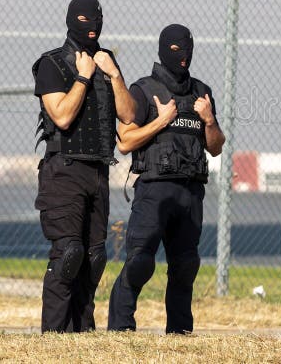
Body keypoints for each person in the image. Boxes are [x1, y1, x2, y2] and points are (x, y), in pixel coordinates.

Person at [107, 23, 225, 335]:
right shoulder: (143, 90)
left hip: (191, 191)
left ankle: (180, 331)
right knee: (140, 260)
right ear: (162, 50)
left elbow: (215, 147)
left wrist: (209, 120)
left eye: (187, 49)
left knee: (186, 265)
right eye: (175, 49)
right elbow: (125, 141)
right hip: (154, 189)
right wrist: (161, 121)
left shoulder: (202, 93)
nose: (182, 56)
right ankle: (120, 328)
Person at [32, 0, 136, 333]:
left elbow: (129, 114)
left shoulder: (107, 63)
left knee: (93, 258)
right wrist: (83, 77)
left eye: (97, 20)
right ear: (71, 20)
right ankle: (54, 336)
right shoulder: (51, 63)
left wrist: (114, 75)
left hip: (98, 170)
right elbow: (60, 116)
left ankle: (81, 334)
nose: (92, 28)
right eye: (84, 21)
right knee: (68, 254)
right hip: (63, 170)